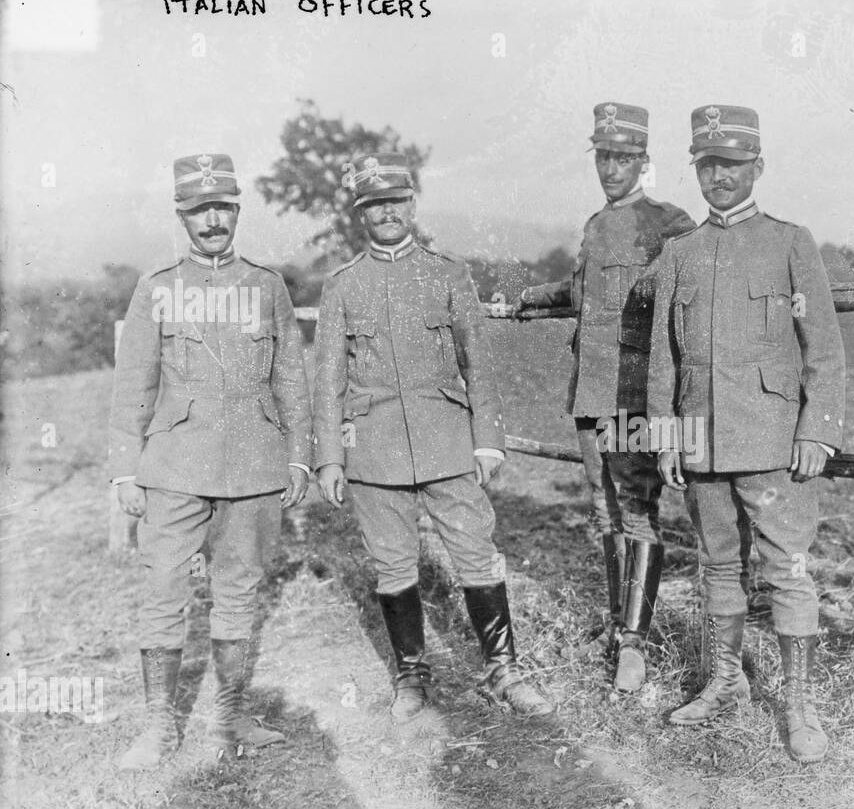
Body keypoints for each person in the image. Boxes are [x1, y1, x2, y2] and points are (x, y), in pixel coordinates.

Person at [313, 152, 552, 721]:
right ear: (360, 213)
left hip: (447, 441)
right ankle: (412, 676)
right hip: (372, 450)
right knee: (392, 565)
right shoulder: (343, 286)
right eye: (375, 205)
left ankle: (503, 671)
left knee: (475, 554)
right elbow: (327, 381)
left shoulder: (448, 273)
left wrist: (487, 438)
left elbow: (480, 363)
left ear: (412, 204)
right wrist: (328, 459)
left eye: (396, 201)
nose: (387, 213)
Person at [648, 106, 846, 763]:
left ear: (757, 167)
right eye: (707, 164)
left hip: (773, 444)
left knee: (787, 571)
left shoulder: (791, 242)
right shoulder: (680, 252)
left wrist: (816, 429)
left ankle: (798, 704)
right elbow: (662, 359)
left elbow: (824, 349)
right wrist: (667, 435)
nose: (719, 176)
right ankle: (723, 682)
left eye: (731, 164)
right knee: (717, 568)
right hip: (701, 441)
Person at [109, 152, 312, 768]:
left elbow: (292, 381)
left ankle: (229, 719)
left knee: (239, 592)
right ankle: (158, 729)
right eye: (200, 209)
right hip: (172, 466)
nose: (213, 219)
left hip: (253, 463)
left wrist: (299, 460)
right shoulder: (158, 288)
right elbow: (133, 386)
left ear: (237, 210)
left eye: (222, 206)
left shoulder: (266, 285)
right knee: (163, 590)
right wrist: (125, 468)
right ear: (182, 215)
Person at [518, 102, 698, 692]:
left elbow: (685, 295)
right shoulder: (595, 225)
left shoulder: (670, 224)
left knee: (638, 509)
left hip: (635, 394)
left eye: (624, 157)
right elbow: (583, 290)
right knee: (604, 510)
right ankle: (619, 620)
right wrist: (541, 296)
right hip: (591, 391)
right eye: (603, 156)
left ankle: (635, 644)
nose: (611, 168)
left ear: (645, 162)